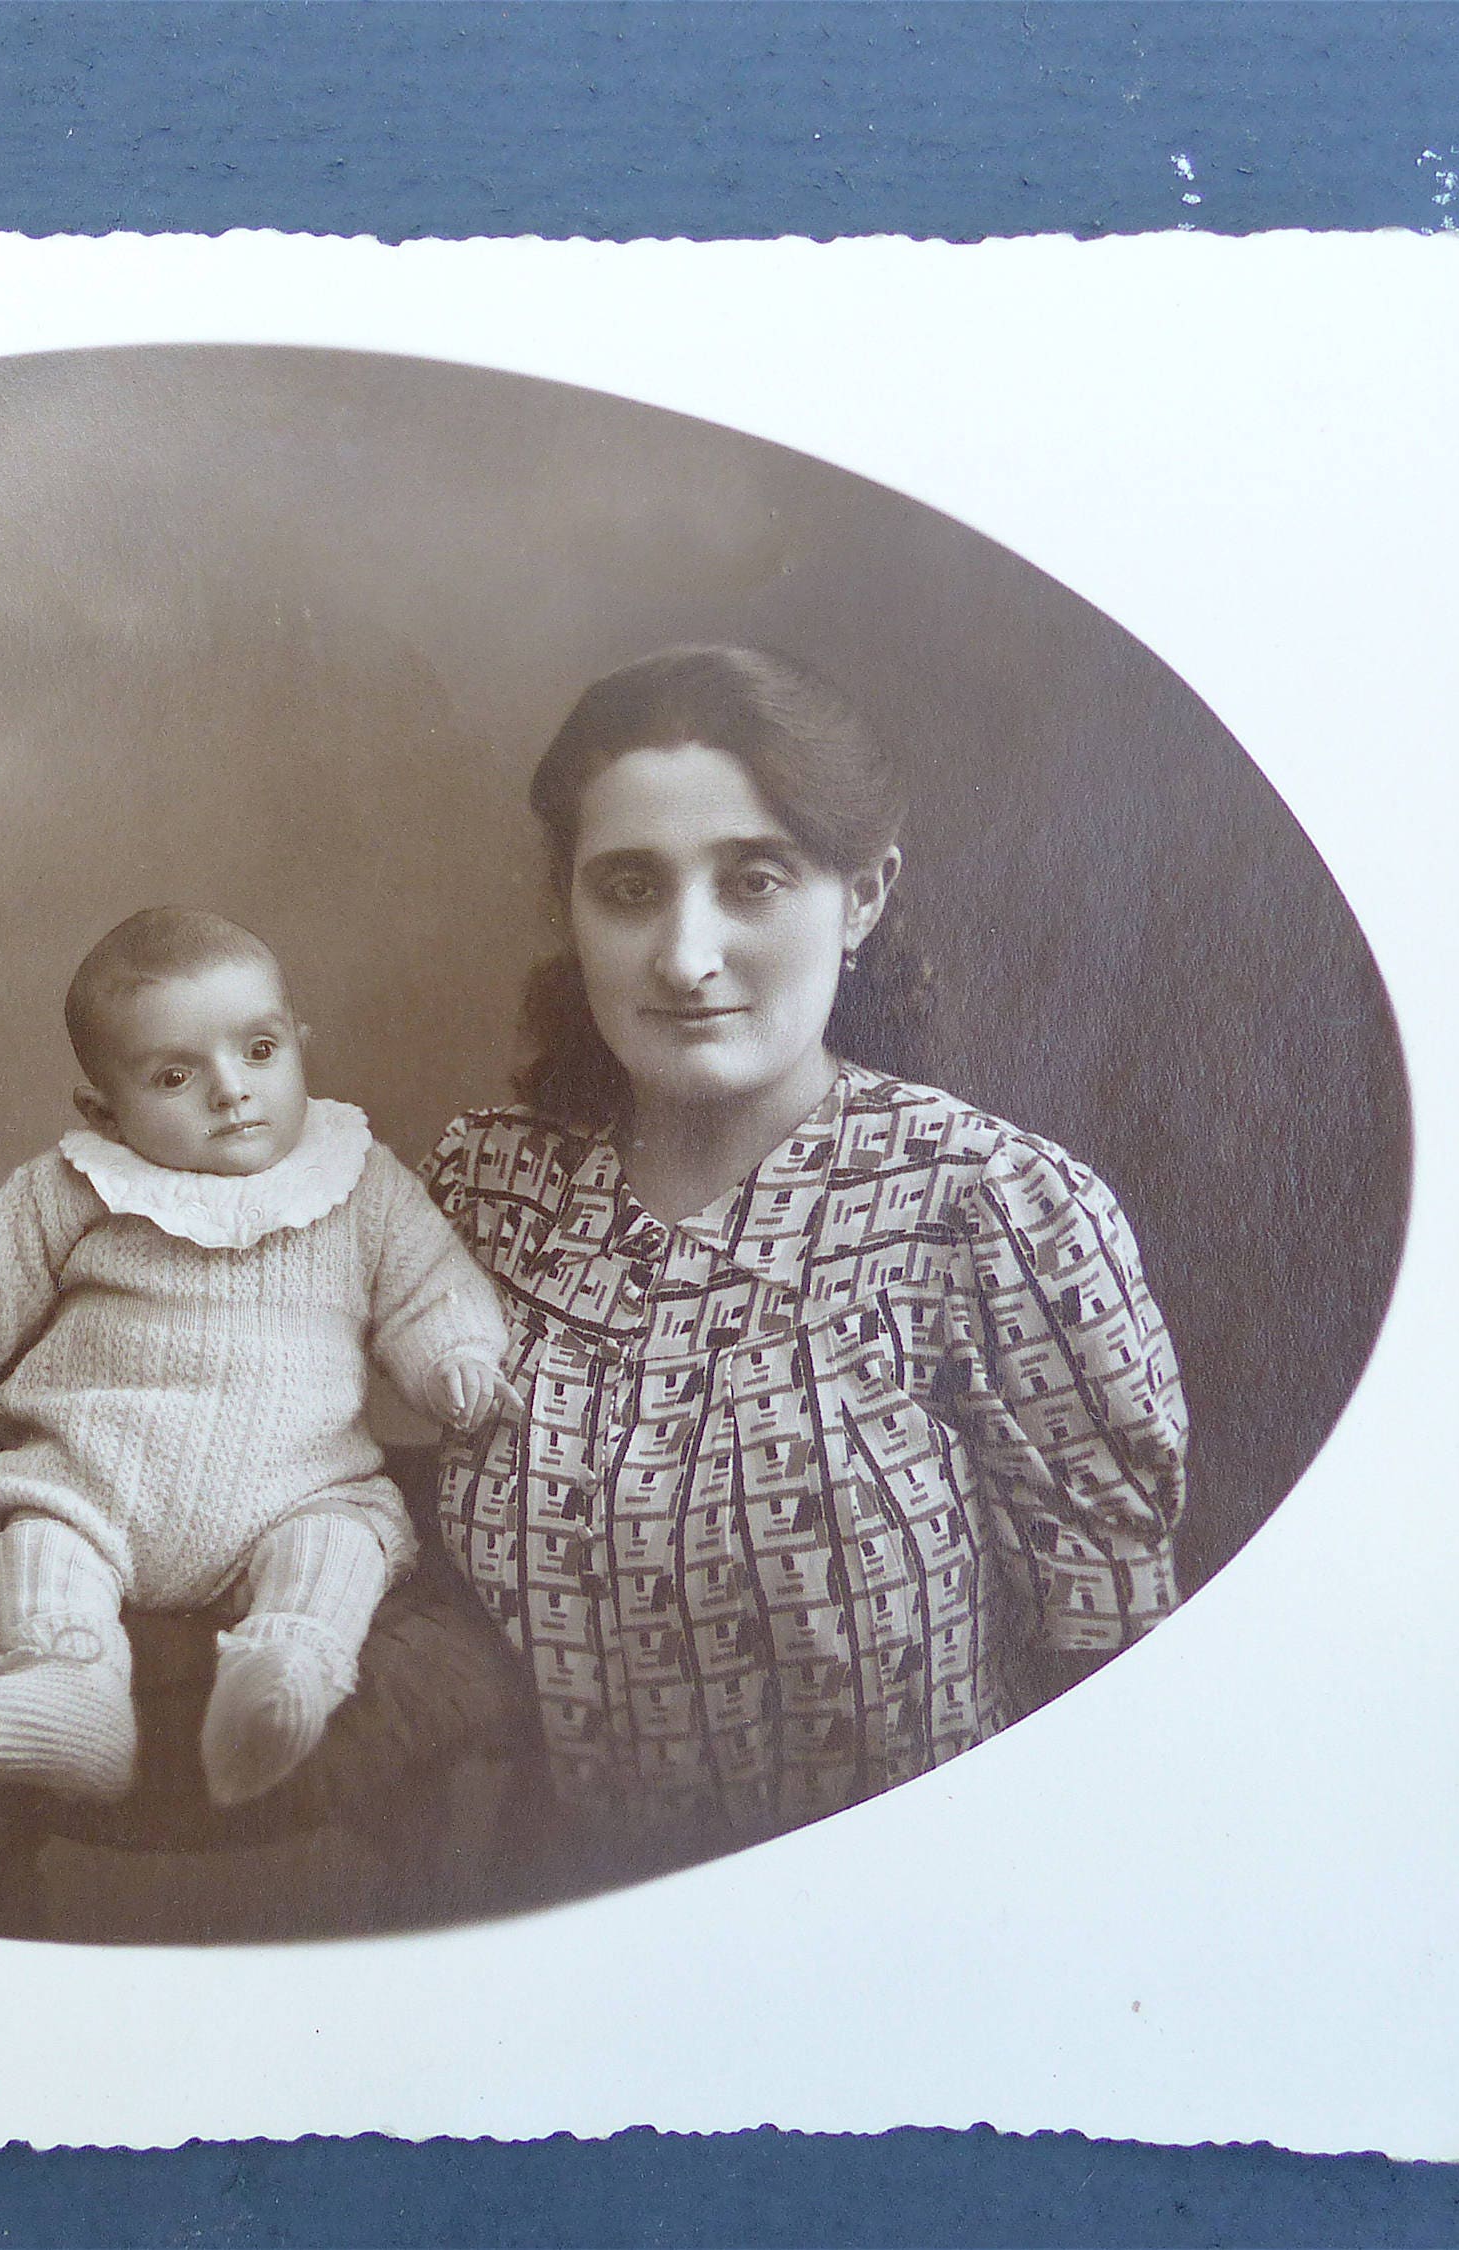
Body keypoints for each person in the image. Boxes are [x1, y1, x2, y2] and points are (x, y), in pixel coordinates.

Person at [422, 645, 1188, 1869]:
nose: (684, 955)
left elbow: (1115, 1689)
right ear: (567, 907)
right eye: (627, 889)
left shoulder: (995, 1210)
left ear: (865, 895)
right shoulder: (485, 1190)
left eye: (756, 881)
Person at [0, 909, 516, 1810]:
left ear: (298, 1045)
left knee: (340, 1539)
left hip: (294, 1486)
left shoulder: (358, 1180)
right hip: (93, 1480)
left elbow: (426, 1283)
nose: (230, 1092)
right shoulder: (76, 1185)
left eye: (258, 1051)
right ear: (106, 1110)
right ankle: (71, 1690)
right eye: (174, 1075)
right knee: (41, 1537)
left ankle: (285, 1670)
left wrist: (456, 1358)